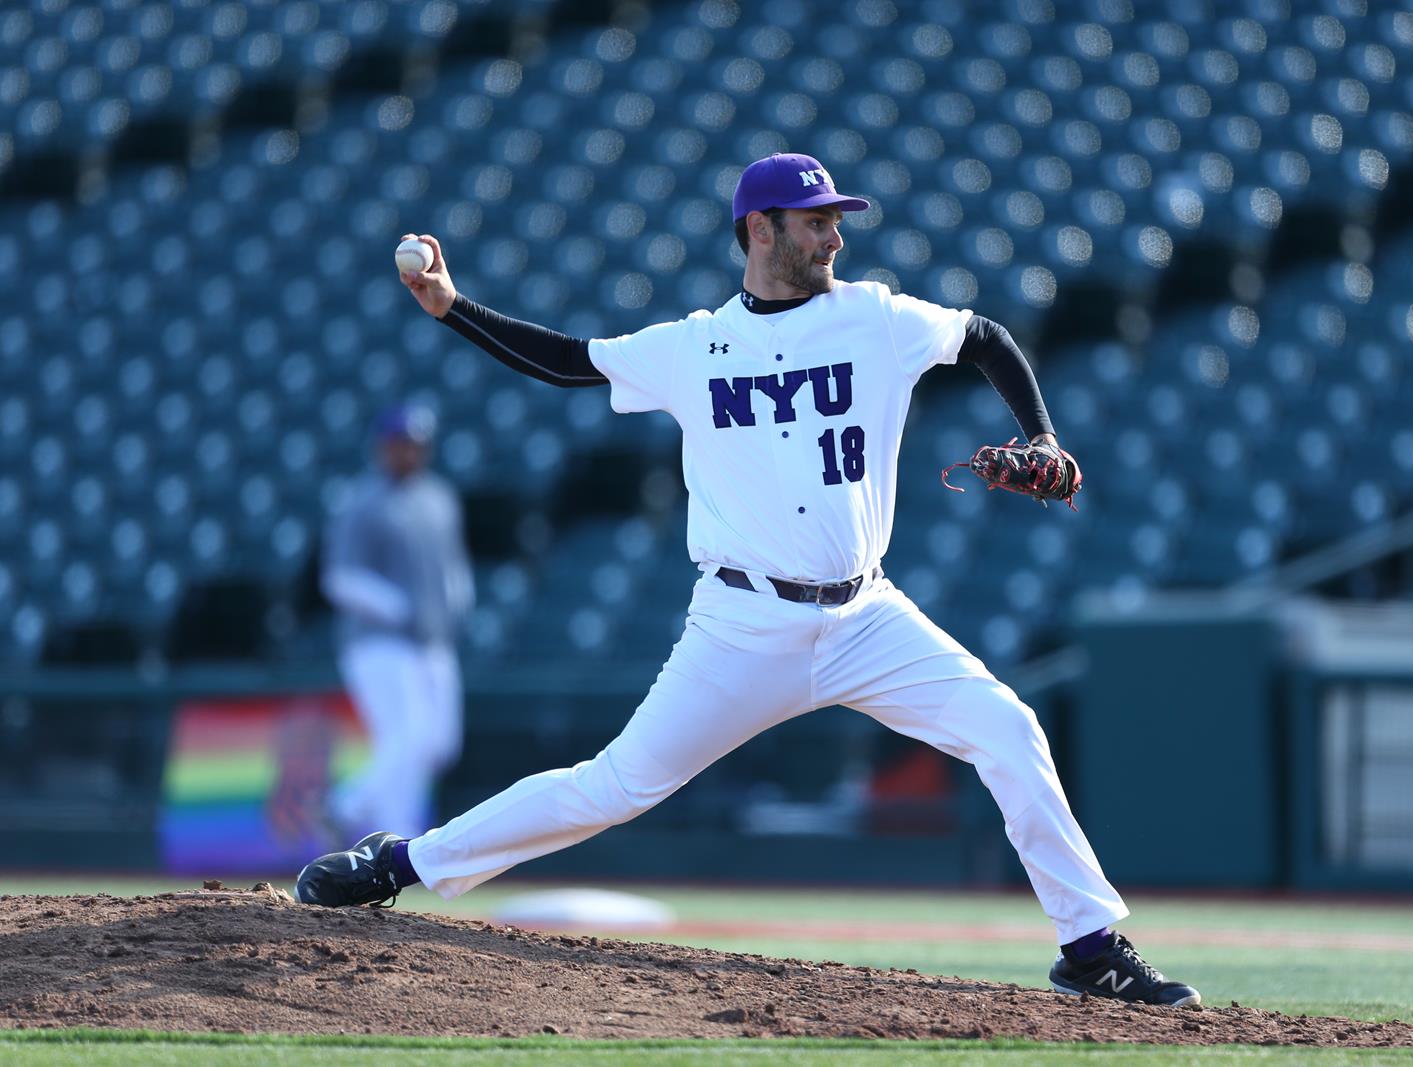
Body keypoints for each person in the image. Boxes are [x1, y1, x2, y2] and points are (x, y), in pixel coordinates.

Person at [296, 153, 1200, 1007]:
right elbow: (570, 360)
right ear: (759, 229)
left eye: (836, 219)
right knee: (612, 787)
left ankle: (1089, 949)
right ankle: (404, 863)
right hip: (740, 624)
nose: (835, 236)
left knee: (1009, 728)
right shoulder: (697, 345)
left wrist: (1039, 433)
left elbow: (985, 338)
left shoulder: (876, 317)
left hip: (865, 615)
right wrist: (454, 306)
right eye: (816, 221)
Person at [319, 403, 474, 839]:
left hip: (433, 640)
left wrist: (457, 598)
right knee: (406, 738)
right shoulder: (362, 501)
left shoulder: (439, 498)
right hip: (378, 641)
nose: (408, 452)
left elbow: (453, 564)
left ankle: (350, 807)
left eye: (416, 444)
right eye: (400, 444)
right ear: (382, 447)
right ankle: (388, 832)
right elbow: (339, 577)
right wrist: (396, 606)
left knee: (438, 743)